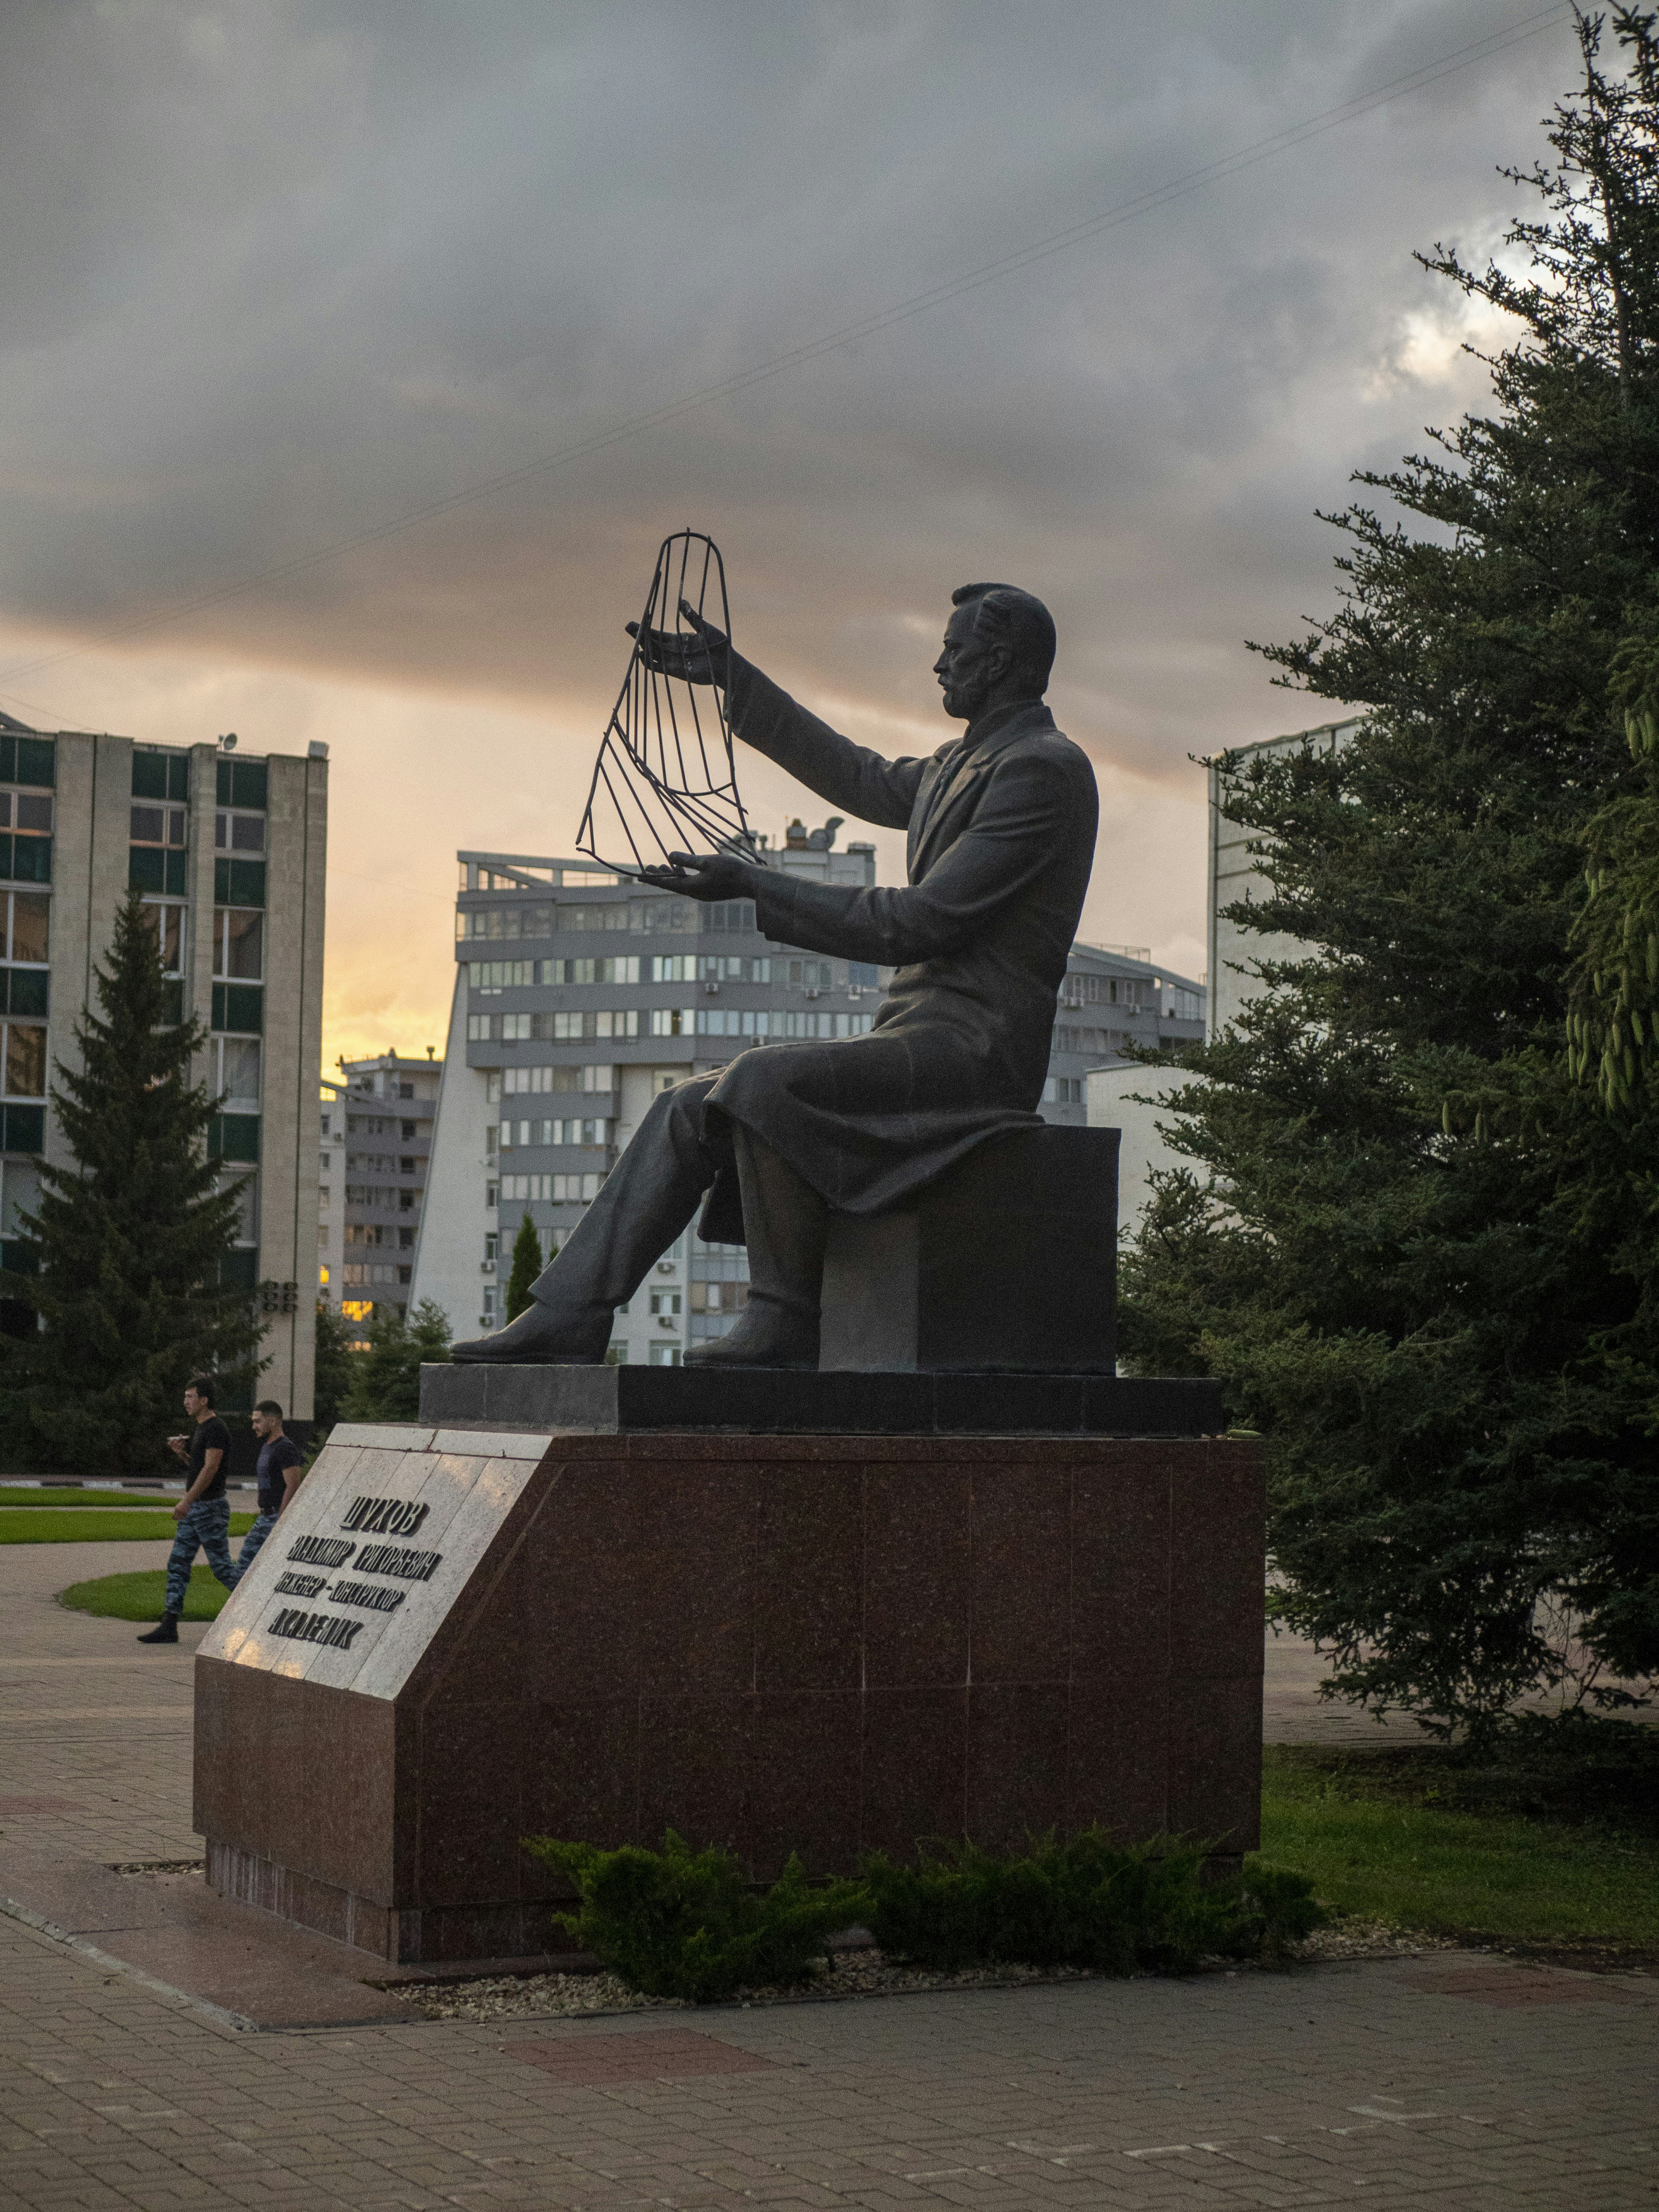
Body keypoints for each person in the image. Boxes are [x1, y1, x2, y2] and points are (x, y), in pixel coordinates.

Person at [450, 579, 1098, 1372]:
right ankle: (568, 1314)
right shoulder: (958, 764)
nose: (938, 665)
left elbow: (920, 921)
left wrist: (757, 883)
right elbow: (854, 774)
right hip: (914, 1038)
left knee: (759, 1082)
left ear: (997, 661)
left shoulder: (1043, 770)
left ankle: (783, 1321)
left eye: (954, 650)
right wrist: (732, 676)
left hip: (974, 1052)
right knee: (687, 1105)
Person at [137, 1374, 238, 1646]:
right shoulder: (203, 1429)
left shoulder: (216, 1428)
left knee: (222, 1569)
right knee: (178, 1563)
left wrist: (188, 1500)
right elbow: (200, 1467)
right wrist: (182, 1455)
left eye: (190, 1397)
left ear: (204, 1401)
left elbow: (212, 1468)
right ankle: (169, 1625)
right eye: (185, 1397)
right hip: (198, 1508)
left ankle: (260, 1611)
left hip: (210, 1508)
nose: (186, 1403)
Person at [233, 1399, 304, 1579]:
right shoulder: (267, 1447)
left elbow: (294, 1484)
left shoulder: (285, 1448)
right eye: (253, 1421)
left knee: (257, 1573)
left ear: (273, 1421)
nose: (254, 1426)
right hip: (264, 1517)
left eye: (258, 1421)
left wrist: (281, 1519)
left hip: (276, 1518)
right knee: (244, 1572)